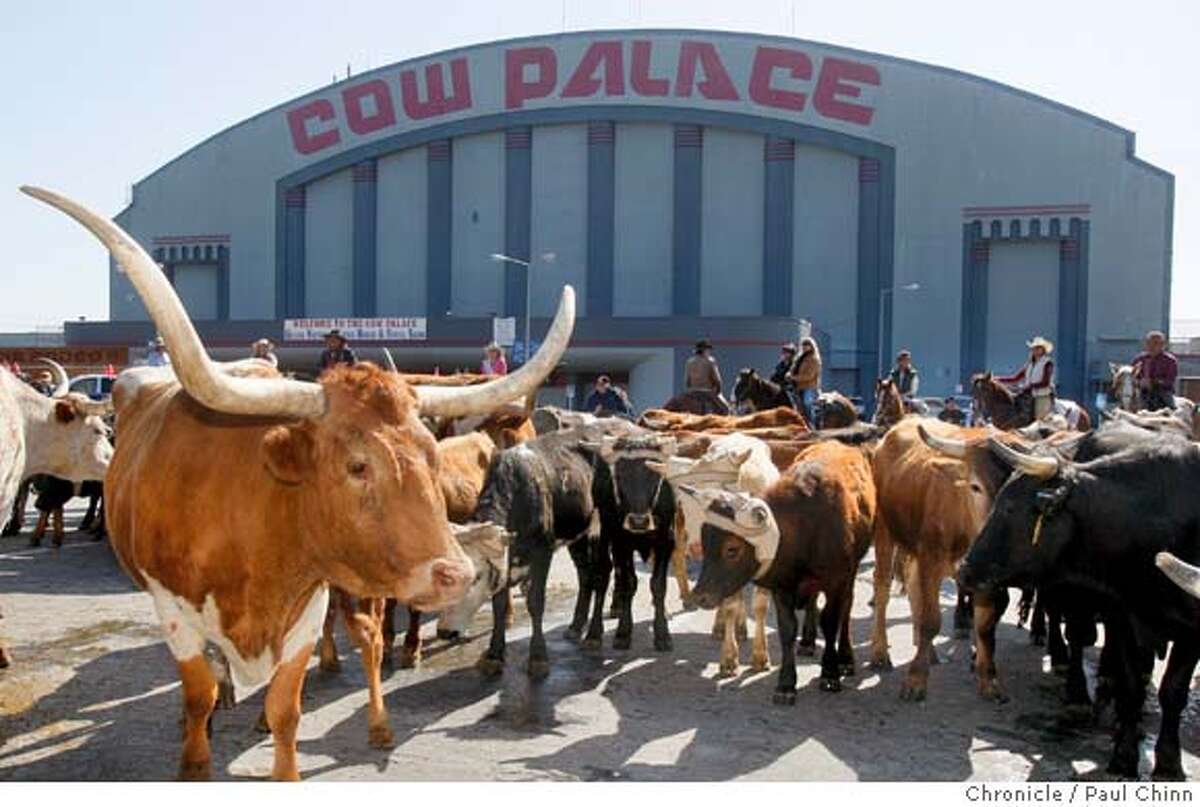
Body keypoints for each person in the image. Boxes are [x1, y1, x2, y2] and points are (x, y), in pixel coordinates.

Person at [996, 336, 1055, 421]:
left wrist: (1029, 386)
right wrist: (998, 379)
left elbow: (1046, 382)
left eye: (1039, 348)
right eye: (1034, 348)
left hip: (1042, 396)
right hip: (1029, 395)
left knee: (1041, 421)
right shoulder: (1029, 364)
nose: (1036, 350)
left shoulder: (1048, 363)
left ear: (1043, 350)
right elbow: (1015, 378)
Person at [1131, 330, 1178, 411]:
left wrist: (1153, 382)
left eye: (1156, 343)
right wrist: (1139, 382)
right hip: (1142, 392)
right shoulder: (1139, 359)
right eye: (1149, 343)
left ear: (1163, 345)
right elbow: (1132, 377)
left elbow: (1170, 380)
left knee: (1171, 409)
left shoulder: (1170, 361)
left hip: (1162, 392)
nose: (1151, 346)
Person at [684, 339, 727, 407]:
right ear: (705, 350)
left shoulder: (689, 363)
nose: (709, 352)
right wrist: (718, 393)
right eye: (708, 350)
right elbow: (718, 380)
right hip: (707, 393)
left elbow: (687, 382)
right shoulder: (710, 361)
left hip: (693, 393)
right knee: (726, 407)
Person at [788, 337, 822, 425]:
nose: (805, 347)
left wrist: (793, 377)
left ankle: (812, 424)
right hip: (798, 387)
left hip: (810, 387)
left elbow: (809, 376)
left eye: (807, 345)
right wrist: (788, 374)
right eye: (803, 345)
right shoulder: (799, 358)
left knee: (807, 403)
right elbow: (793, 369)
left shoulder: (814, 359)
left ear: (812, 346)